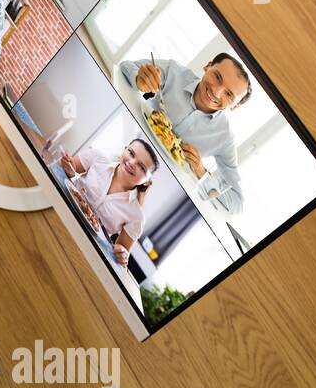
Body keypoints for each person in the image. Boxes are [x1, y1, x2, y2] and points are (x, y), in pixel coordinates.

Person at [118, 52, 250, 214]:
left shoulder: (225, 138)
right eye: (217, 77)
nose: (216, 92)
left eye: (229, 94)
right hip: (126, 143)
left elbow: (237, 203)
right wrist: (139, 78)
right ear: (207, 66)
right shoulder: (174, 72)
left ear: (234, 106)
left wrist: (202, 173)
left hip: (160, 186)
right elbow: (126, 66)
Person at [58, 138, 158, 268]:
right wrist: (68, 170)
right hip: (61, 208)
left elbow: (119, 252)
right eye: (131, 153)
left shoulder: (137, 216)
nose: (132, 163)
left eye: (142, 167)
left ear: (147, 182)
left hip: (84, 247)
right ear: (125, 149)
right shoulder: (97, 157)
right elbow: (64, 171)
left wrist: (123, 256)